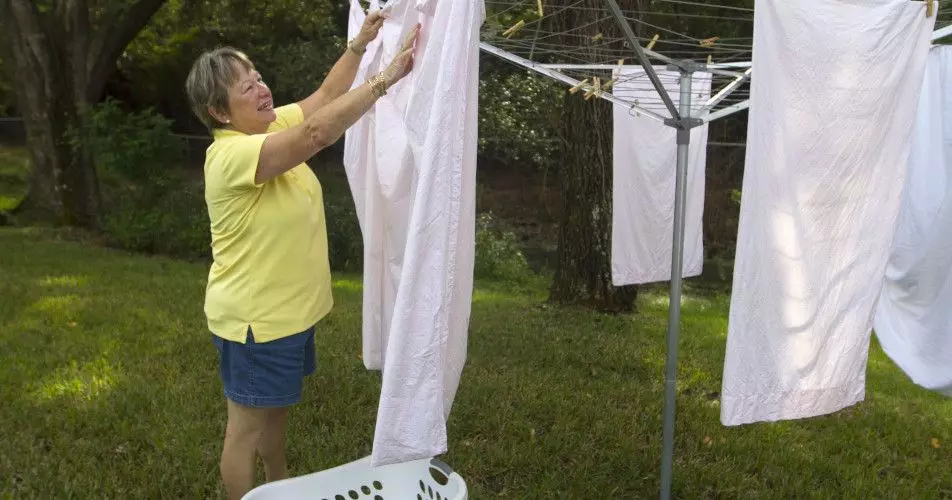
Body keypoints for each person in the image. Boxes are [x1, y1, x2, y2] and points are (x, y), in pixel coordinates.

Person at [184, 10, 421, 499]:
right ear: (219, 112)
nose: (261, 88)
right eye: (245, 88)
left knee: (276, 409)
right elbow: (317, 133)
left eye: (258, 77)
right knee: (244, 430)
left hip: (288, 317)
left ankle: (278, 487)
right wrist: (386, 77)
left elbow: (323, 100)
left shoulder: (268, 128)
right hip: (256, 322)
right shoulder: (230, 155)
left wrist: (357, 46)